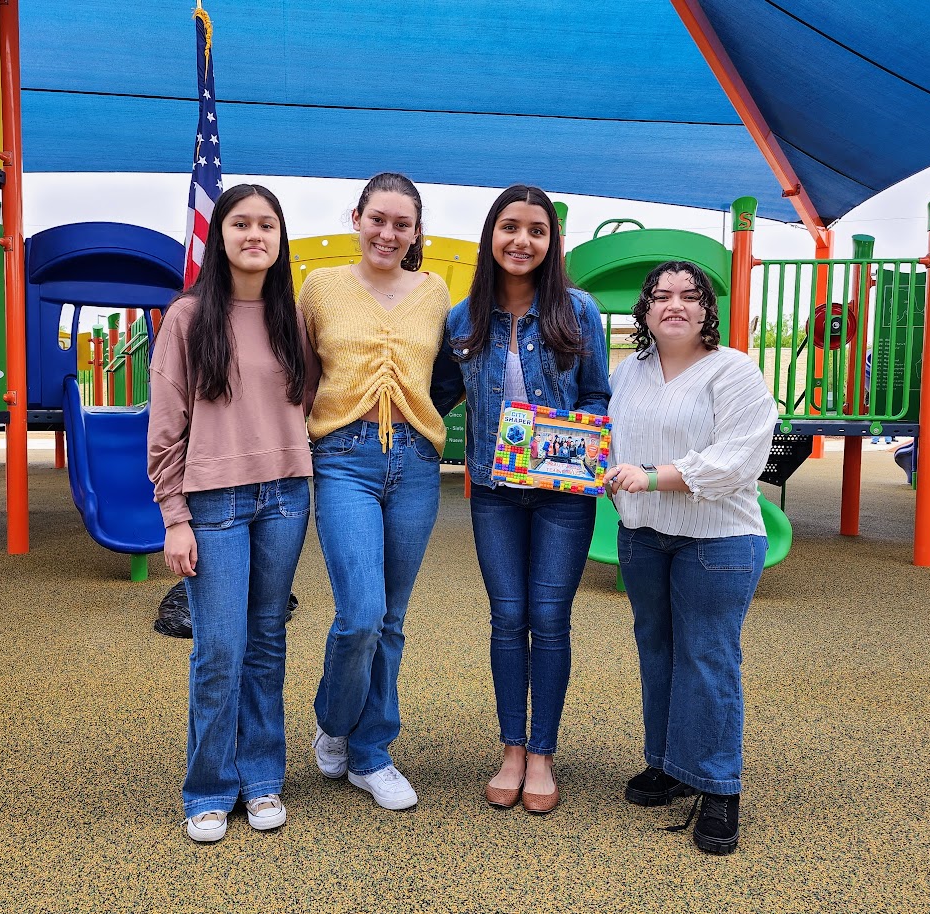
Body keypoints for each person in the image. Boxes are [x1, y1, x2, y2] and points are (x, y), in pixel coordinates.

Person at [432, 184, 611, 814]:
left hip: (562, 492)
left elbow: (597, 395)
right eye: (510, 227)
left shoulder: (578, 312)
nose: (521, 241)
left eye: (536, 230)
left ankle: (543, 754)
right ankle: (511, 748)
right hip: (494, 493)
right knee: (508, 619)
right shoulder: (462, 319)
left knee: (550, 617)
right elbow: (438, 395)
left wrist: (571, 444)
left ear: (550, 242)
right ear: (491, 236)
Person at [147, 183, 312, 842]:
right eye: (240, 223)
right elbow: (167, 421)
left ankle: (262, 778)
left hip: (285, 496)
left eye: (266, 225)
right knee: (220, 648)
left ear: (279, 239)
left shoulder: (291, 318)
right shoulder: (189, 317)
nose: (254, 235)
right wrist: (173, 514)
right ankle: (210, 787)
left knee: (266, 645)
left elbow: (306, 397)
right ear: (219, 236)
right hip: (214, 502)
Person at [604, 260, 777, 854]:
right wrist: (596, 469)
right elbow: (611, 439)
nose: (673, 305)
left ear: (707, 309)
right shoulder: (630, 372)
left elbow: (737, 461)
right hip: (645, 536)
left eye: (688, 295)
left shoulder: (733, 372)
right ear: (645, 311)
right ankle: (671, 764)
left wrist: (650, 478)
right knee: (658, 650)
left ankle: (719, 785)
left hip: (718, 540)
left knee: (706, 656)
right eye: (660, 296)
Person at [300, 173, 452, 811]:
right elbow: (297, 369)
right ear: (357, 217)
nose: (388, 233)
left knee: (391, 619)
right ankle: (334, 720)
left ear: (416, 232)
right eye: (378, 219)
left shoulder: (435, 293)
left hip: (416, 461)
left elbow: (451, 370)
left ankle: (372, 752)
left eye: (402, 224)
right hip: (342, 459)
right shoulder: (320, 287)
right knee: (359, 612)